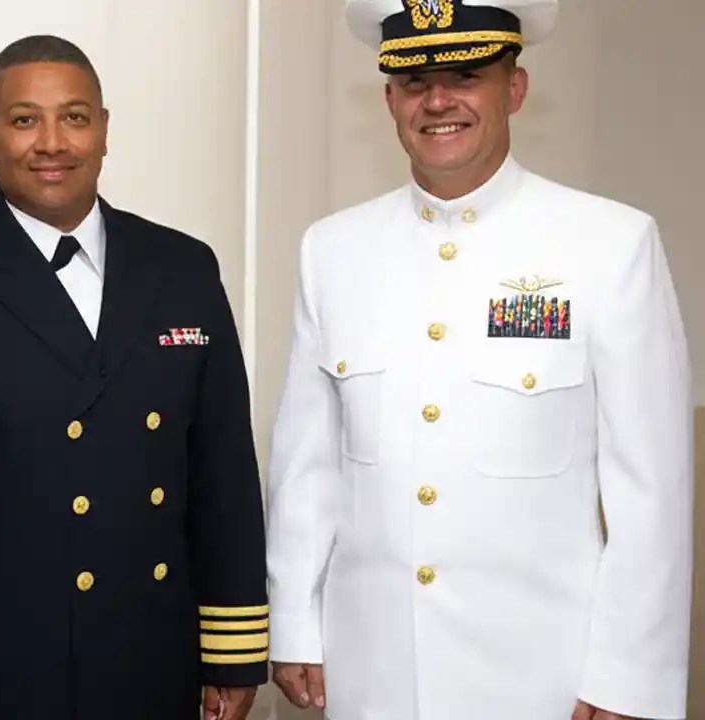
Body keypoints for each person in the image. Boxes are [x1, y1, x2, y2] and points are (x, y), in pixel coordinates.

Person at [265, 1, 692, 718]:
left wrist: (629, 678)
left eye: (466, 76)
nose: (438, 102)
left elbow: (650, 489)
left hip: (543, 679)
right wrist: (295, 623)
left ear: (514, 89)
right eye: (415, 82)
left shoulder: (609, 245)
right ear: (390, 99)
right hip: (373, 673)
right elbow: (307, 466)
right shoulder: (333, 251)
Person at [0, 34, 268, 719]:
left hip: (153, 664)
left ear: (105, 129)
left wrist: (232, 650)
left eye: (75, 117)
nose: (52, 143)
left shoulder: (183, 269)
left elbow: (223, 473)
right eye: (25, 119)